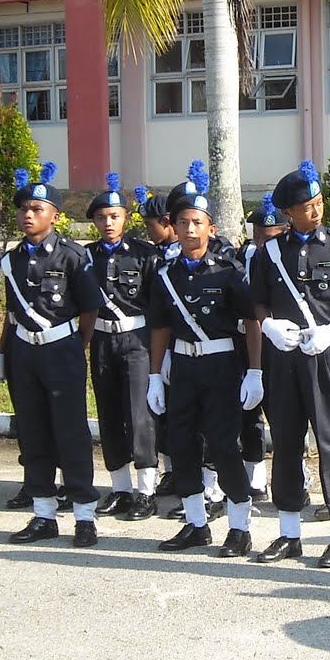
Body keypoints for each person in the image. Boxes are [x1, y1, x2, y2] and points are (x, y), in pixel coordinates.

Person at [249, 160, 330, 567]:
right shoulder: (270, 253)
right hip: (284, 357)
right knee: (286, 442)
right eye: (307, 206)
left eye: (319, 202)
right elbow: (257, 301)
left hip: (324, 355)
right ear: (288, 212)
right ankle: (289, 533)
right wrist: (269, 325)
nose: (317, 210)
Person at [145, 167, 262, 556]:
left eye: (197, 222)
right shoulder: (165, 274)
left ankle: (240, 527)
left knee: (224, 446)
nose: (190, 229)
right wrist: (155, 376)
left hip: (221, 366)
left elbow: (251, 323)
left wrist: (255, 371)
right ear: (173, 227)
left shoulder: (230, 272)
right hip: (183, 367)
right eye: (183, 222)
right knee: (181, 444)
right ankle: (196, 524)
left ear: (211, 228)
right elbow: (160, 326)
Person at [0, 163, 107, 547]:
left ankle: (84, 516)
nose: (28, 215)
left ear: (55, 216)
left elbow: (90, 308)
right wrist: (3, 353)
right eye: (24, 209)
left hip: (62, 349)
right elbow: (12, 313)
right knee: (32, 432)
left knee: (70, 432)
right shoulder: (11, 260)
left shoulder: (72, 256)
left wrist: (78, 345)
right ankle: (43, 513)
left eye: (37, 209)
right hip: (24, 352)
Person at [86, 173, 160, 521]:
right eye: (101, 217)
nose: (108, 223)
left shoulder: (145, 255)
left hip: (136, 340)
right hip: (102, 339)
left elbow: (157, 306)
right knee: (109, 412)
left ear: (126, 219)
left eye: (114, 216)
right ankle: (120, 488)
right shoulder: (86, 257)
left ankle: (146, 490)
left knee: (139, 414)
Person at [237, 194, 289, 505]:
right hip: (243, 342)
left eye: (270, 237)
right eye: (258, 236)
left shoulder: (287, 258)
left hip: (279, 344)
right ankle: (255, 476)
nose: (263, 242)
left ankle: (295, 473)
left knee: (284, 413)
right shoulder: (242, 256)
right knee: (247, 411)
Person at [138, 184, 179, 497]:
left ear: (166, 221)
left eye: (150, 226)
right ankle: (171, 470)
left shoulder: (186, 254)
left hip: (187, 345)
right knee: (162, 412)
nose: (148, 232)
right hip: (159, 345)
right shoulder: (152, 256)